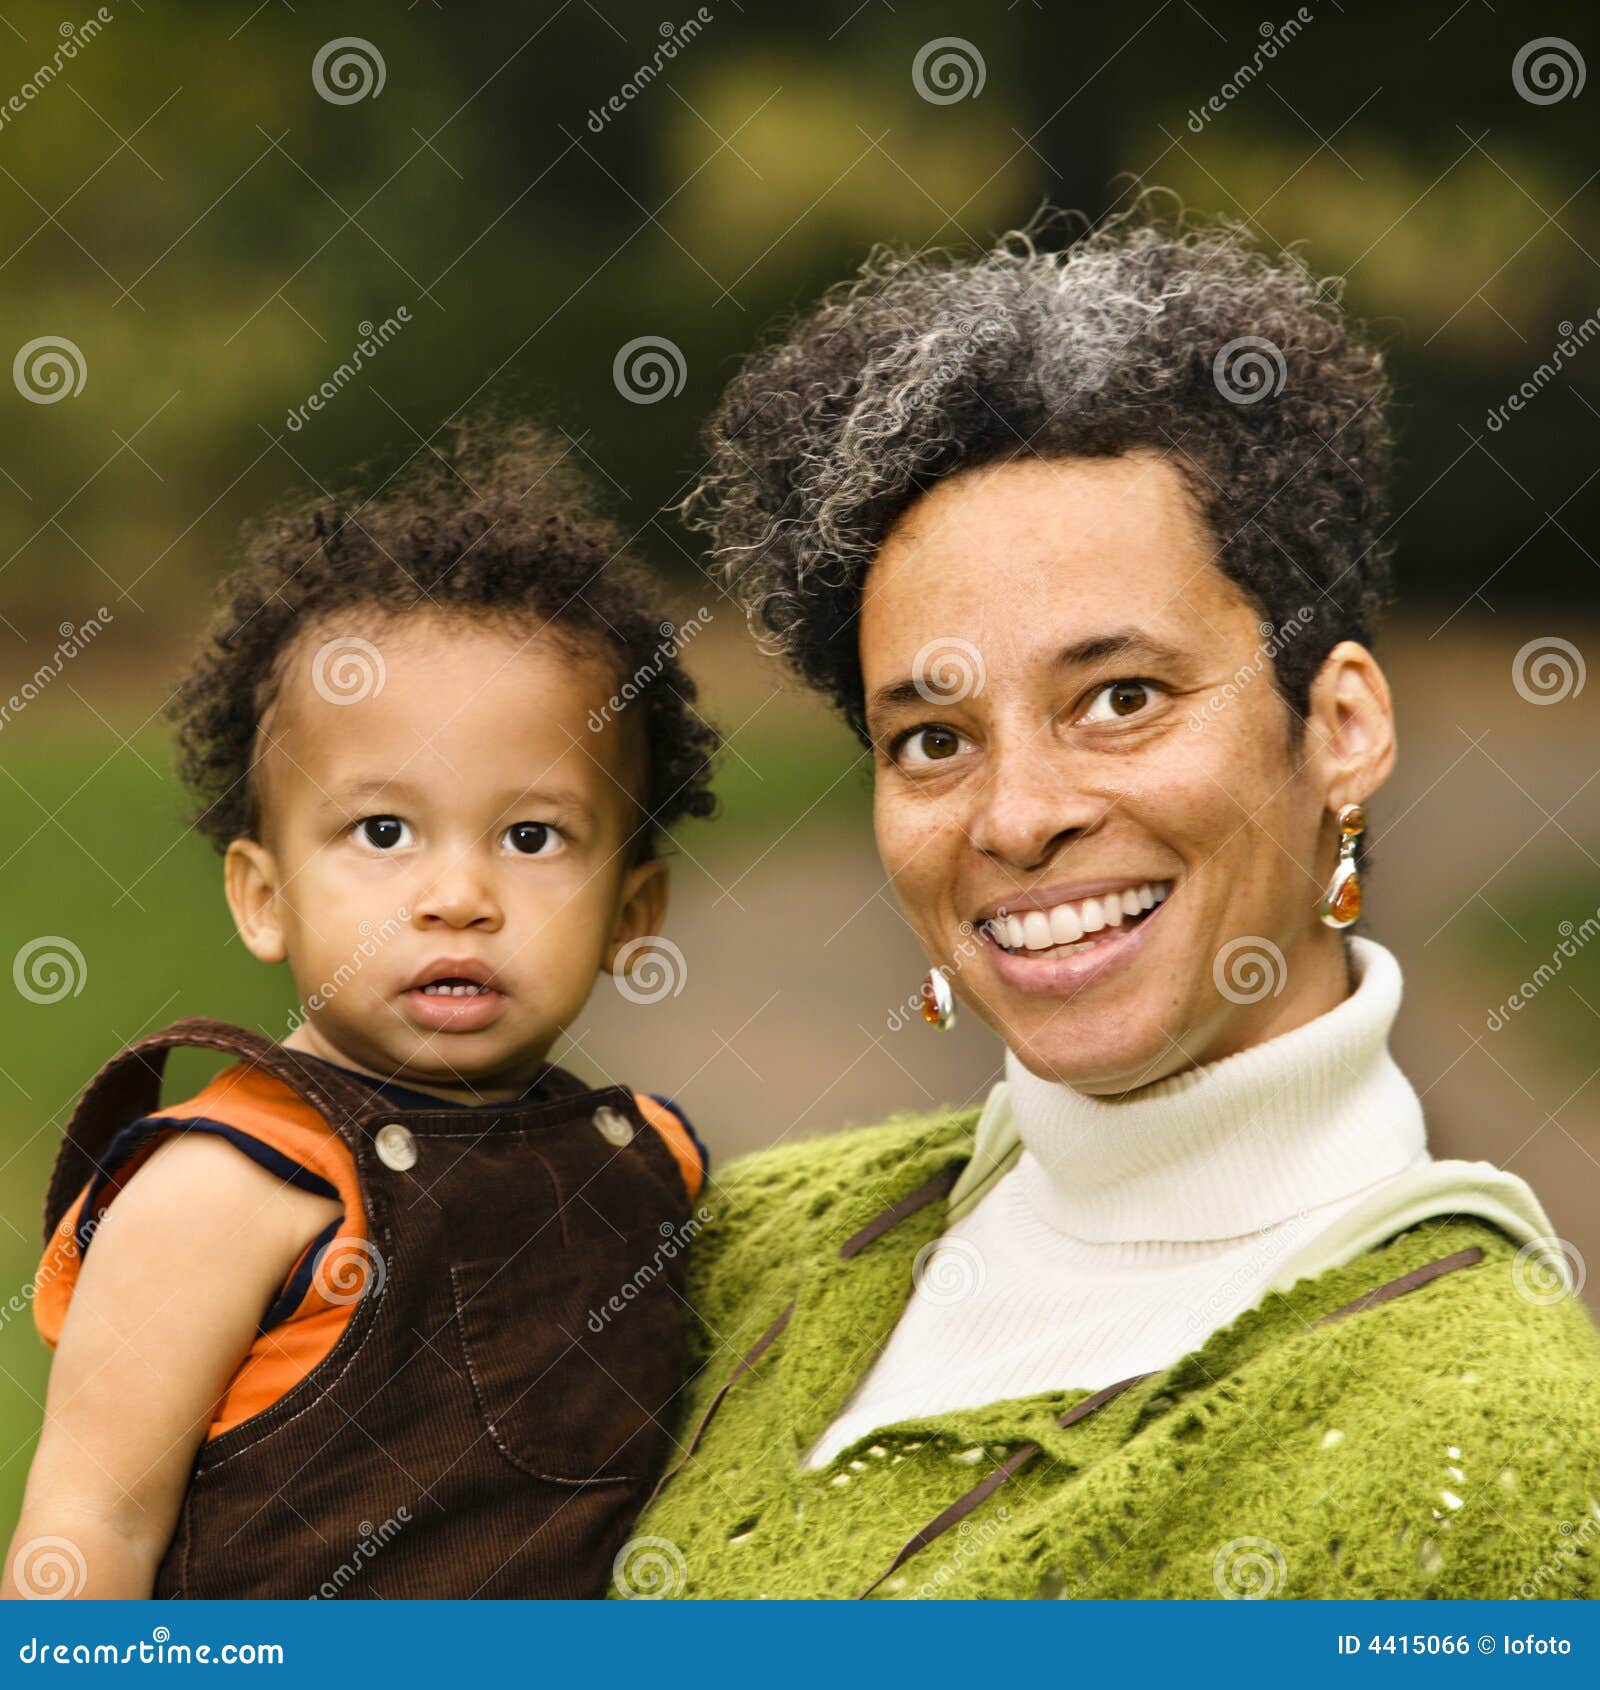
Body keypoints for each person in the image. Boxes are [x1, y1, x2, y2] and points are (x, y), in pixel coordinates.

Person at [624, 210, 1600, 1600]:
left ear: (1340, 727)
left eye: (1122, 698)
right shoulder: (735, 1251)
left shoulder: (1481, 1447)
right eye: (932, 738)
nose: (1019, 815)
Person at [3, 421, 718, 1601]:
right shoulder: (221, 1192)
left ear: (632, 912)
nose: (457, 897)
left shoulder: (650, 1163)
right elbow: (89, 1531)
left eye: (531, 837)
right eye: (382, 833)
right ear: (264, 896)